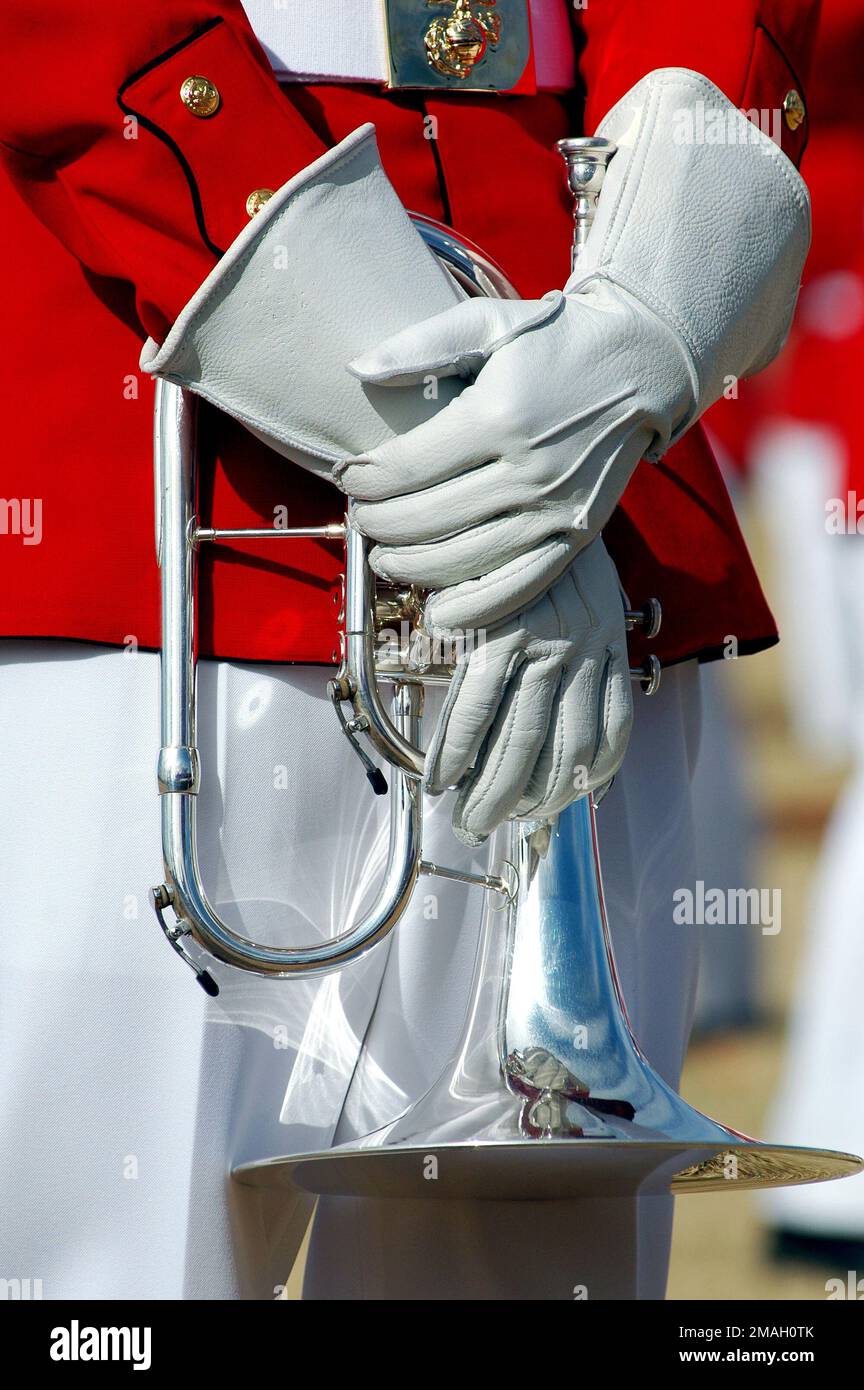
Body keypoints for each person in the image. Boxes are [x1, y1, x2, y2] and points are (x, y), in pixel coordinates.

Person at [0, 1, 816, 1299]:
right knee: (107, 1289)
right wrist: (495, 487)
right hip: (156, 479)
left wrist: (663, 287)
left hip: (594, 389)